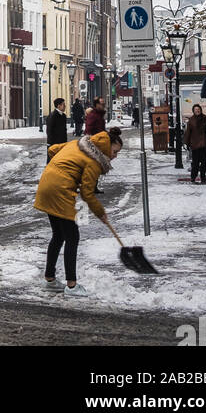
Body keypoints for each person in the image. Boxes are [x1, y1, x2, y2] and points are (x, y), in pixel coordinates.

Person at [34, 125, 124, 297]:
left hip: (46, 184)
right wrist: (100, 212)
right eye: (115, 151)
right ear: (106, 147)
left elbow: (53, 149)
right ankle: (72, 285)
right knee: (72, 237)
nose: (115, 156)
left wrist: (67, 166)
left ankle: (49, 279)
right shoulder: (94, 162)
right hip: (60, 190)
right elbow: (87, 193)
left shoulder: (78, 144)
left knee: (58, 235)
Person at [183, 104, 206, 184]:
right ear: (193, 111)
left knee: (204, 163)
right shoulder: (191, 120)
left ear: (201, 110)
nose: (197, 110)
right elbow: (188, 133)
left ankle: (203, 178)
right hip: (195, 145)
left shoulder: (205, 118)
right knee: (195, 164)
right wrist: (186, 143)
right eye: (195, 109)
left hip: (204, 144)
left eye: (198, 109)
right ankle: (193, 178)